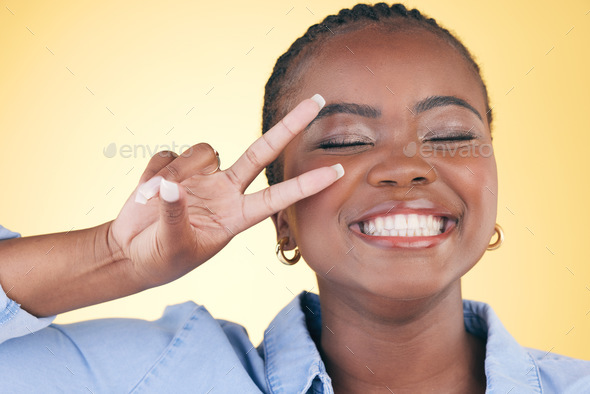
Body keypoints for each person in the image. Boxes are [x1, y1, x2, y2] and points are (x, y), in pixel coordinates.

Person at [0, 3, 588, 393]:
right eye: (348, 141)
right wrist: (113, 256)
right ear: (281, 216)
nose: (406, 167)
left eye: (451, 136)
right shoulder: (160, 375)